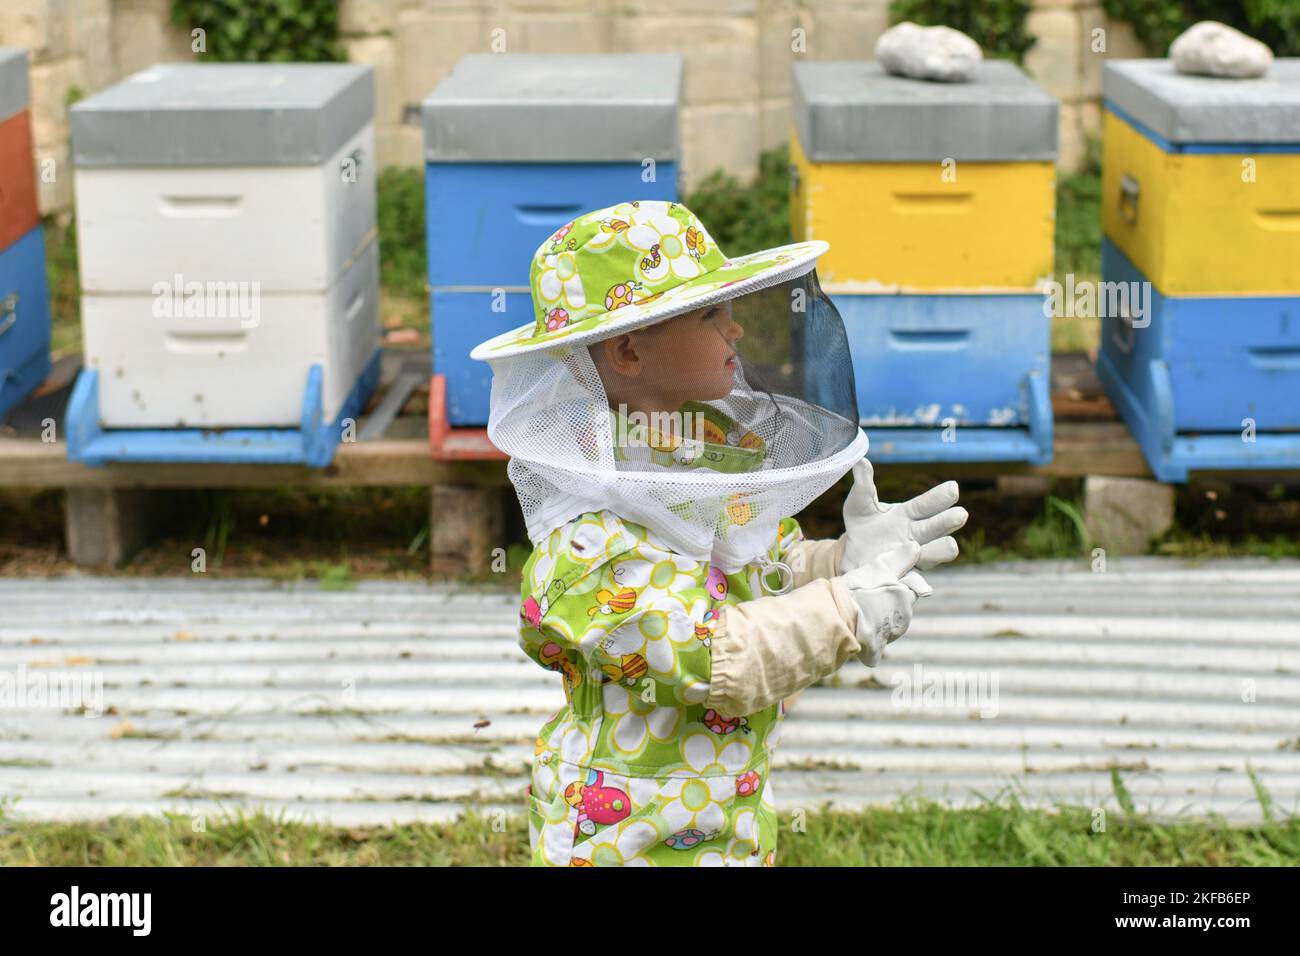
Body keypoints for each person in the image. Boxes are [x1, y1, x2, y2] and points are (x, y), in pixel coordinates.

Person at [469, 199, 967, 866]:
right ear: (627, 351)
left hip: (723, 813)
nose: (734, 328)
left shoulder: (686, 458)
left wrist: (844, 559)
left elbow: (761, 566)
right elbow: (711, 658)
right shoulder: (590, 541)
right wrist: (845, 608)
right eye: (709, 313)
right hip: (621, 836)